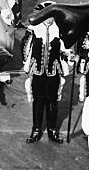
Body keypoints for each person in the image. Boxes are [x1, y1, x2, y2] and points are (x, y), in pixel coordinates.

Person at [21, 7, 71, 144]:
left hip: (53, 71)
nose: (49, 18)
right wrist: (29, 63)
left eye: (51, 15)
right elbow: (25, 47)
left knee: (52, 102)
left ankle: (52, 130)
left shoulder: (60, 29)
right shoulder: (34, 29)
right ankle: (36, 130)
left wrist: (68, 56)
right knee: (38, 100)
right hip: (37, 71)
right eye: (46, 15)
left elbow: (66, 49)